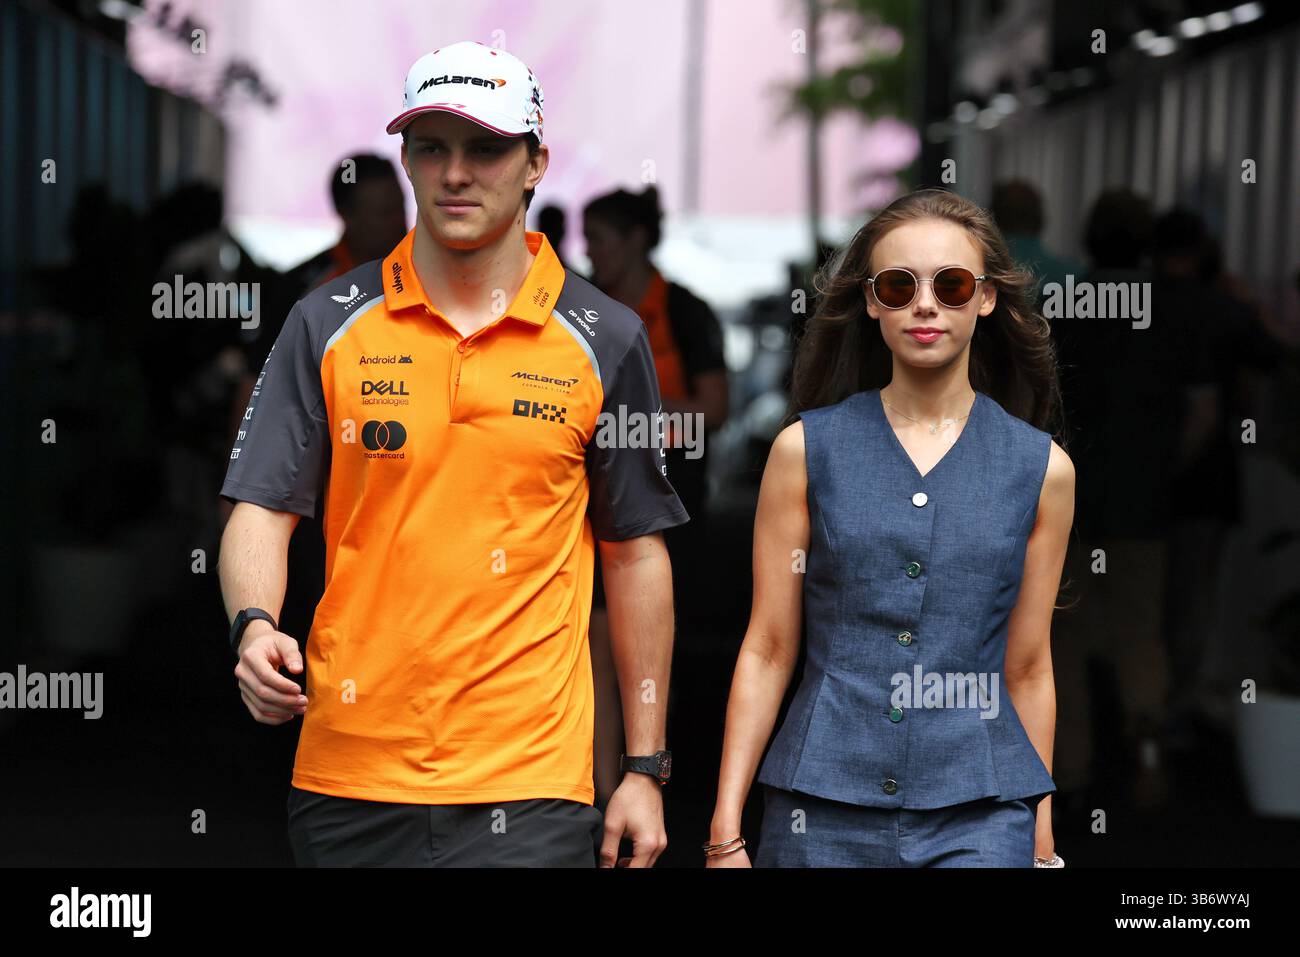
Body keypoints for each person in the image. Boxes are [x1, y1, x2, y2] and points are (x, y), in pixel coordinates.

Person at [218, 40, 687, 868]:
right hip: (349, 771)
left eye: (487, 147)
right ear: (405, 159)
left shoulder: (606, 337)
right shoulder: (326, 322)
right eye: (431, 147)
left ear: (536, 161)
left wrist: (644, 766)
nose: (456, 173)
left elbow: (636, 552)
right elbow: (261, 504)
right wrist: (253, 626)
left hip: (532, 781)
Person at [706, 188, 1074, 867]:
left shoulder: (1041, 468)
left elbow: (1027, 665)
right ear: (872, 301)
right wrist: (725, 827)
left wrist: (1040, 830)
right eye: (899, 285)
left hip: (982, 813)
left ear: (986, 298)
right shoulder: (805, 451)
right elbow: (767, 646)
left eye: (952, 284)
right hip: (819, 806)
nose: (925, 304)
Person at [580, 185, 728, 804]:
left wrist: (635, 417)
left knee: (651, 654)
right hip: (588, 510)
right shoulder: (576, 310)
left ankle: (654, 784)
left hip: (670, 514)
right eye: (586, 241)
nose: (589, 254)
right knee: (596, 653)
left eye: (601, 241)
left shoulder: (687, 312)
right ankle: (601, 795)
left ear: (637, 240)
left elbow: (713, 411)